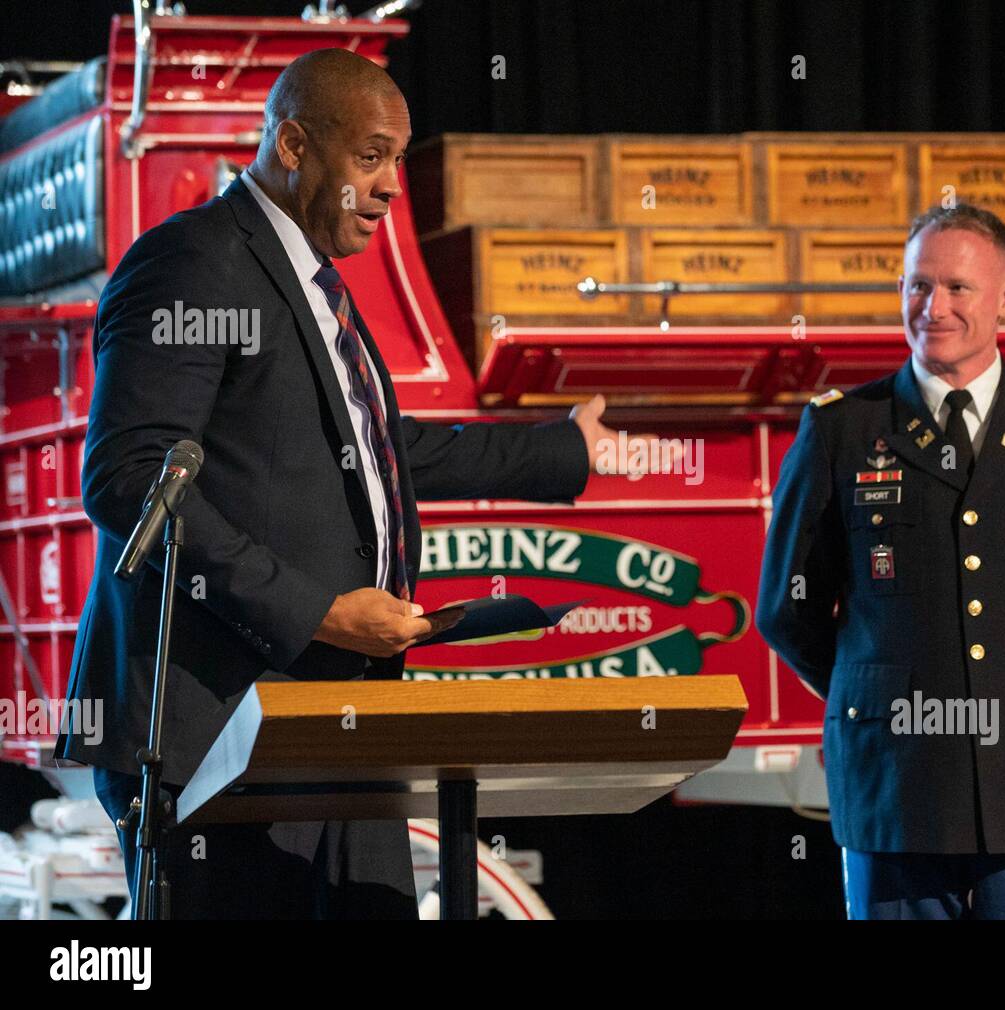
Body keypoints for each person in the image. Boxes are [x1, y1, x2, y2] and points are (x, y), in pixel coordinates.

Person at [55, 48, 620, 919]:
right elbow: (131, 481)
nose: (395, 185)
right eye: (371, 157)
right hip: (217, 736)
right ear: (292, 144)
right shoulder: (194, 263)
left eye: (398, 158)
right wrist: (315, 611)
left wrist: (556, 453)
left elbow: (377, 450)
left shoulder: (318, 285)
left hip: (339, 724)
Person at [756, 202, 1005, 919]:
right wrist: (871, 693)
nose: (934, 307)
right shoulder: (843, 429)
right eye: (917, 286)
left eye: (958, 288)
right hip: (898, 787)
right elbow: (787, 607)